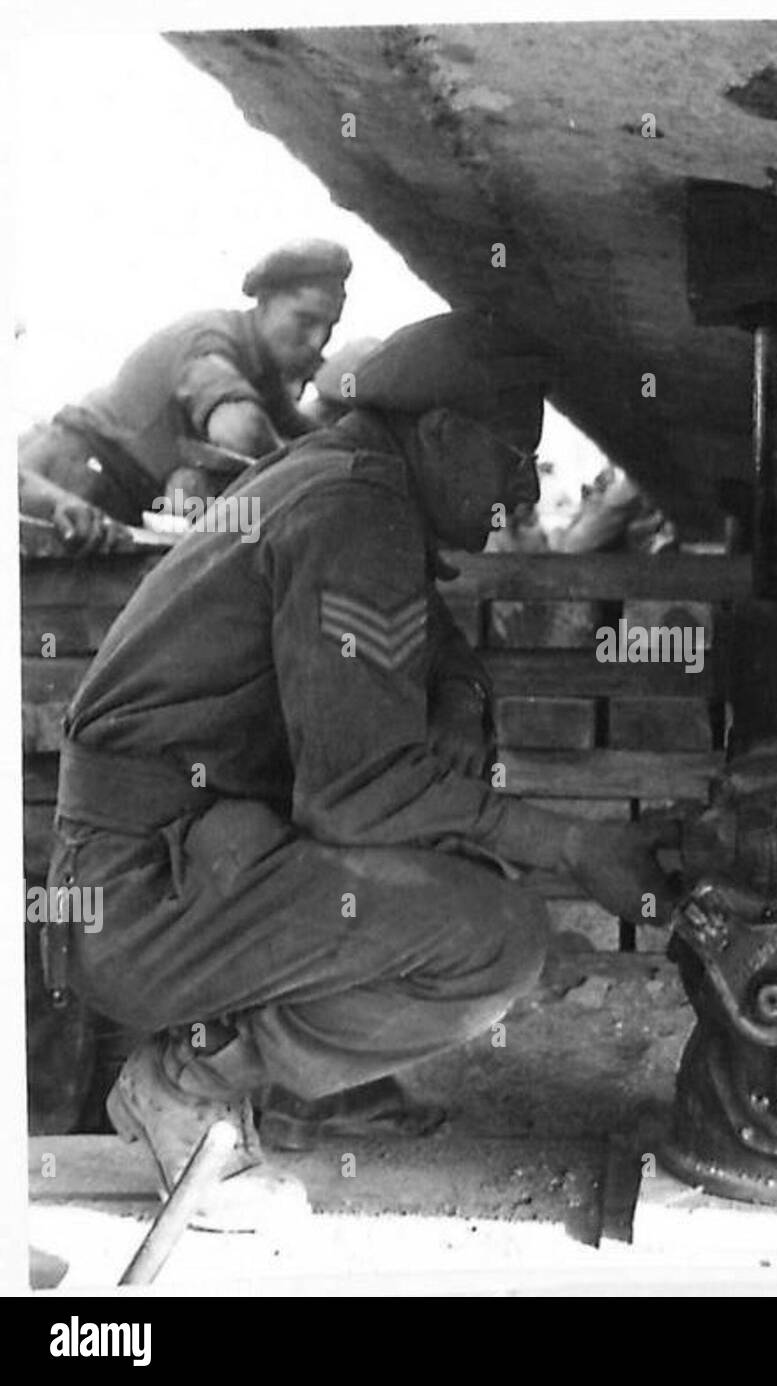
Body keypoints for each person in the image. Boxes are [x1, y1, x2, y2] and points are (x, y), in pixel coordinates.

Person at [48, 312, 675, 1230]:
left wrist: (455, 707)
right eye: (512, 459)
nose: (522, 494)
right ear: (441, 432)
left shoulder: (353, 481)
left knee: (447, 873)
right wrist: (578, 847)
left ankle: (298, 1087)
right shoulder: (352, 512)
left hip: (175, 857)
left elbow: (436, 641)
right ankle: (185, 1084)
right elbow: (358, 795)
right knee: (492, 935)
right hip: (147, 887)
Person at [18, 239, 351, 552]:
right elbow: (240, 430)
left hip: (119, 497)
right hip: (69, 480)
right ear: (264, 303)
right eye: (305, 321)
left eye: (329, 326)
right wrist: (309, 477)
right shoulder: (211, 341)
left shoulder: (261, 369)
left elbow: (304, 433)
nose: (317, 341)